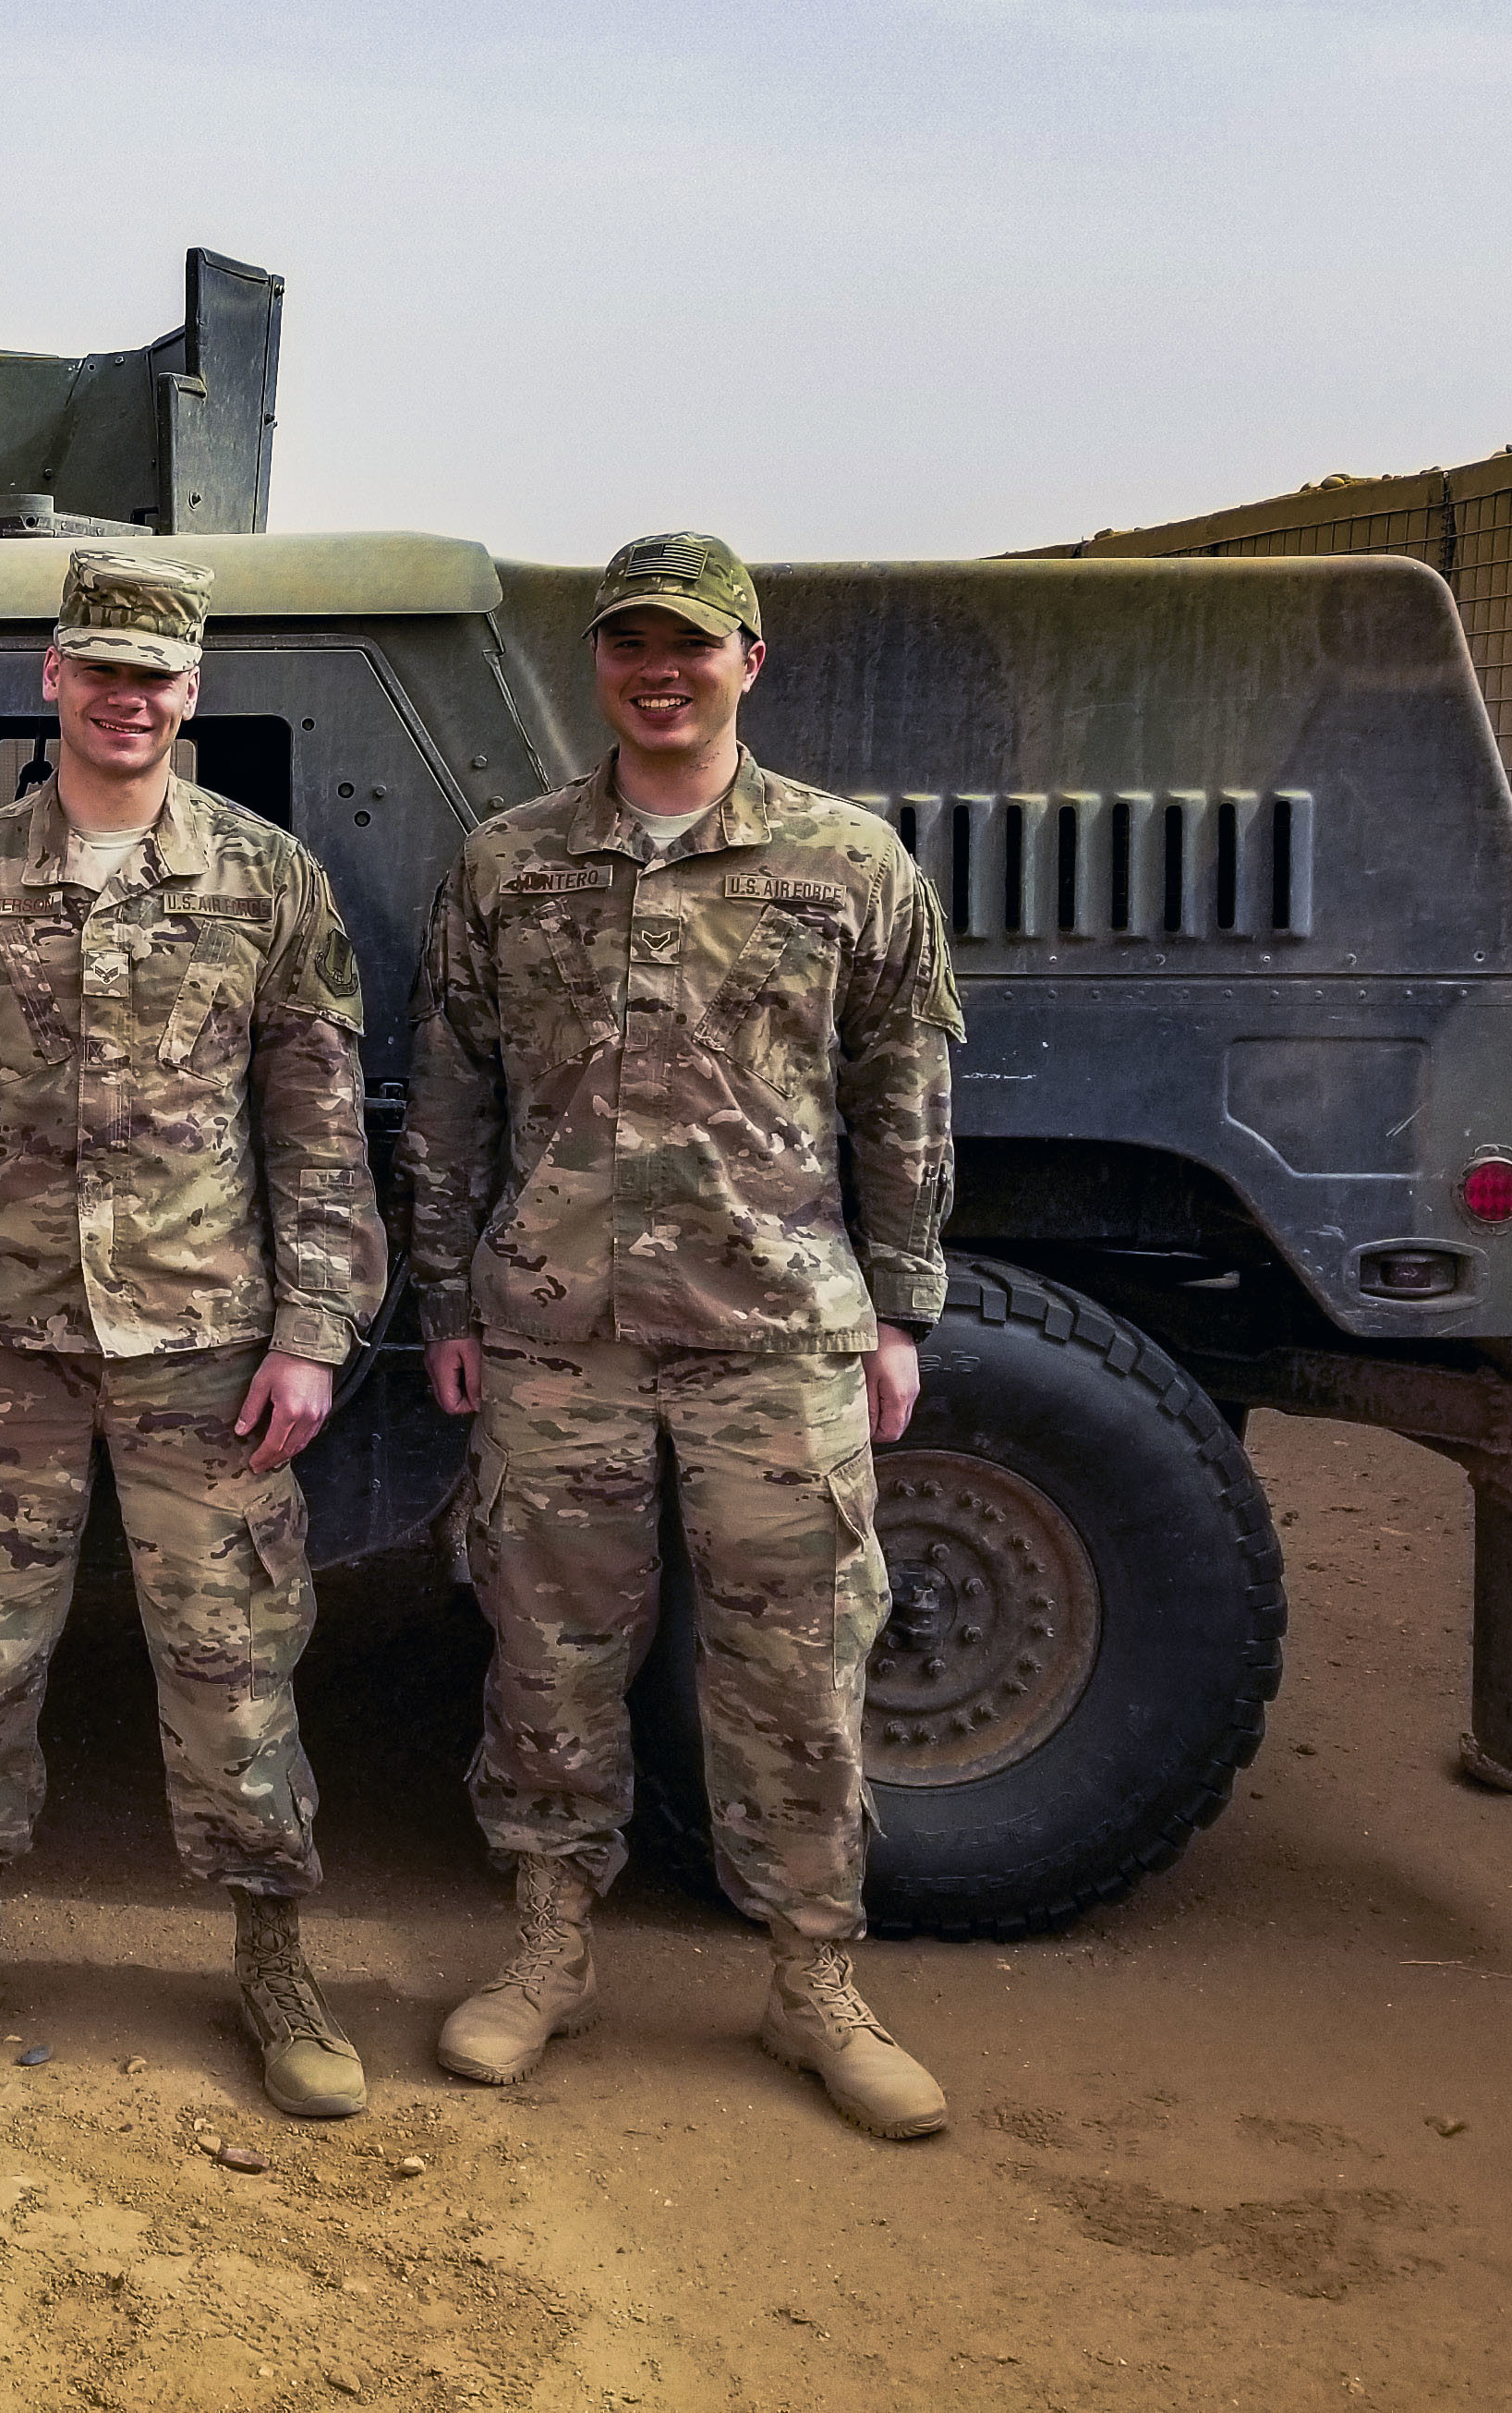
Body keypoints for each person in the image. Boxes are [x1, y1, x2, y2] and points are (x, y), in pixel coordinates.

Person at [400, 528, 961, 2140]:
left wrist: (902, 1308)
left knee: (797, 1664)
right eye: (632, 644)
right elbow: (450, 1095)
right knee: (549, 1651)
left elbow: (902, 1096)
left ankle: (811, 1980)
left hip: (776, 1329)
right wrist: (449, 1296)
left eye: (691, 645)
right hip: (556, 1332)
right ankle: (549, 1948)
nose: (660, 671)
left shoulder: (851, 867)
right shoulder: (509, 864)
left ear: (748, 662)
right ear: (600, 666)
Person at [0, 548, 390, 2119]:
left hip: (207, 1345)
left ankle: (275, 1962)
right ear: (53, 679)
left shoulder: (266, 879)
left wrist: (313, 1329)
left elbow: (318, 1122)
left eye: (155, 675)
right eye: (101, 668)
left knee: (235, 1664)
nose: (127, 698)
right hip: (0, 1339)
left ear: (192, 693)